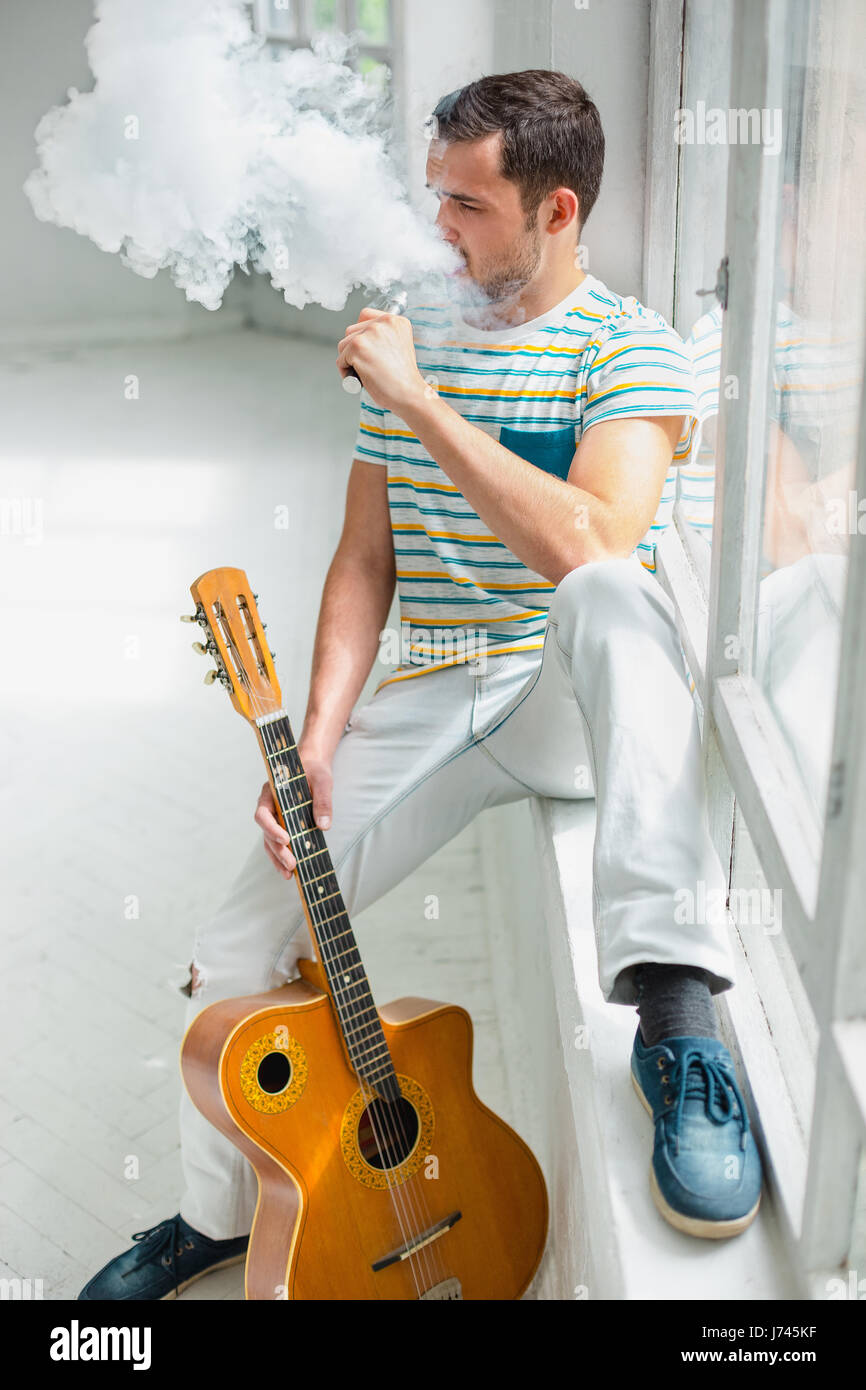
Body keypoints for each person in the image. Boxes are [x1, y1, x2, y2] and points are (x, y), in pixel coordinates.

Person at [79, 69, 762, 1301]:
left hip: (559, 693)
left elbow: (598, 545)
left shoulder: (627, 348)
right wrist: (319, 740)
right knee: (234, 939)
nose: (436, 229)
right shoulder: (417, 326)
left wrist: (424, 399)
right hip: (436, 688)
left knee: (612, 591)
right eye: (430, 197)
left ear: (556, 211)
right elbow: (365, 555)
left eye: (469, 207)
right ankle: (220, 1216)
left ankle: (677, 1016)